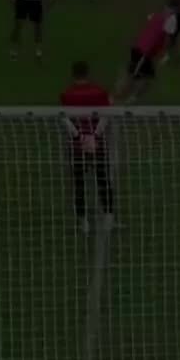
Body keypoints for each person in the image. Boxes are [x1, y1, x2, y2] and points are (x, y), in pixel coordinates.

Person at [59, 61, 115, 235]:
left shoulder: (67, 95)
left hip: (77, 146)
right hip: (97, 144)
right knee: (103, 180)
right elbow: (106, 115)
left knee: (79, 184)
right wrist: (95, 135)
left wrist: (78, 137)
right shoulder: (99, 92)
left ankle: (83, 223)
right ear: (88, 73)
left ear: (73, 75)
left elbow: (64, 118)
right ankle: (108, 219)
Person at [116, 0, 179, 104]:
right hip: (145, 52)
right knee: (132, 76)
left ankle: (128, 99)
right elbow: (168, 39)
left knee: (144, 78)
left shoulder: (156, 15)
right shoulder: (171, 20)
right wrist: (165, 54)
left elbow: (149, 26)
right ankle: (117, 99)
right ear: (177, 7)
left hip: (140, 48)